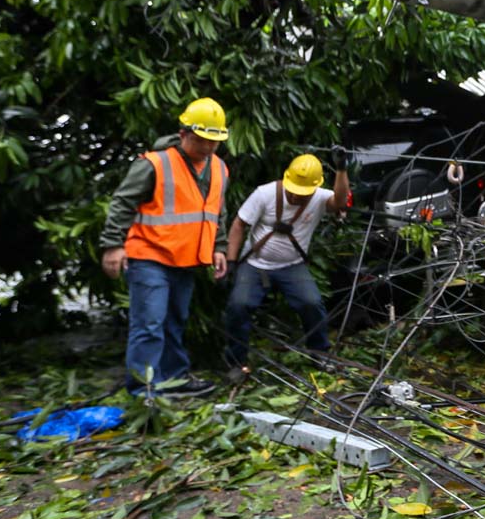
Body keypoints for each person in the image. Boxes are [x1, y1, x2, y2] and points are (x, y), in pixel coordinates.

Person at [99, 98, 231, 397]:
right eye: (201, 140)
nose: (208, 148)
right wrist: (112, 246)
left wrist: (219, 248)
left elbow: (217, 212)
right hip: (149, 255)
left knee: (175, 321)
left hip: (185, 260)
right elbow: (122, 202)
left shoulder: (220, 169)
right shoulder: (154, 163)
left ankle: (174, 378)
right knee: (149, 323)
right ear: (183, 133)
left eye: (214, 142)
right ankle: (143, 388)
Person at [222, 148, 350, 381]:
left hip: (292, 265)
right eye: (293, 191)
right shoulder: (265, 194)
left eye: (302, 194)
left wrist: (341, 169)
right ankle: (236, 361)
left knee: (312, 303)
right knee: (238, 305)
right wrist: (231, 261)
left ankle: (319, 353)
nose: (296, 197)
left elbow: (340, 201)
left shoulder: (319, 197)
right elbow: (239, 224)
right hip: (255, 263)